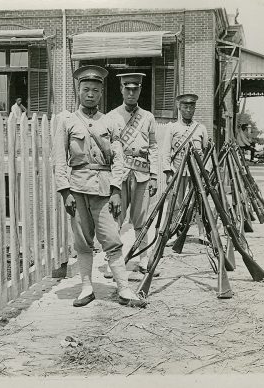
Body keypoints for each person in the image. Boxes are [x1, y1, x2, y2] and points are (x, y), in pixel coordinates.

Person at [52, 65, 146, 308]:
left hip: (104, 190)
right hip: (77, 189)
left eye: (95, 90)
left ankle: (124, 289)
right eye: (86, 89)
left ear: (102, 93)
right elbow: (60, 159)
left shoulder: (110, 122)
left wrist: (116, 191)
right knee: (82, 241)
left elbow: (119, 160)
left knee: (112, 239)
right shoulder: (67, 122)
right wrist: (65, 192)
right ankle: (86, 288)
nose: (90, 94)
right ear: (79, 92)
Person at [104, 73, 163, 277]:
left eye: (135, 89)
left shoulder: (148, 117)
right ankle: (113, 264)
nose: (131, 93)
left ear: (140, 90)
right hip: (120, 175)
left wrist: (154, 175)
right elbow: (108, 148)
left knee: (142, 220)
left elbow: (154, 147)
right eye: (127, 88)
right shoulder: (111, 116)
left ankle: (144, 260)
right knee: (115, 219)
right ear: (121, 89)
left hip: (142, 176)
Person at [163, 94, 209, 238]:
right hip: (178, 172)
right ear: (179, 108)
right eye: (185, 107)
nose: (188, 110)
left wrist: (204, 171)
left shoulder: (201, 128)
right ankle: (174, 232)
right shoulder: (172, 127)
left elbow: (206, 151)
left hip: (196, 172)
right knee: (176, 203)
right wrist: (168, 172)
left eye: (191, 106)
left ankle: (202, 233)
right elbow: (165, 151)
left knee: (199, 202)